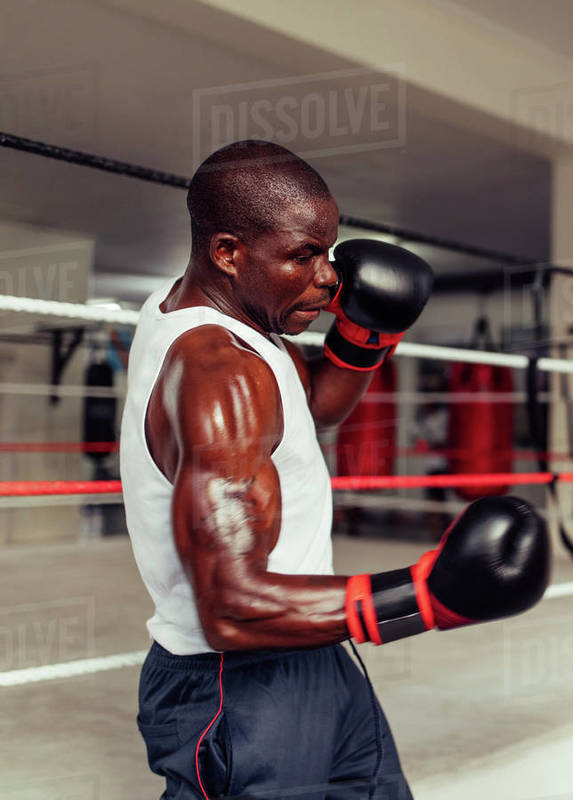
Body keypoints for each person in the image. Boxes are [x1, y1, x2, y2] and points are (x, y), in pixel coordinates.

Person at [120, 140, 550, 799]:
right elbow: (231, 607)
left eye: (328, 251)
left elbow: (307, 410)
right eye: (302, 256)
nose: (328, 277)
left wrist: (363, 336)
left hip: (312, 643)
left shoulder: (230, 316)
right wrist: (427, 598)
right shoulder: (220, 370)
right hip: (238, 678)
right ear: (228, 252)